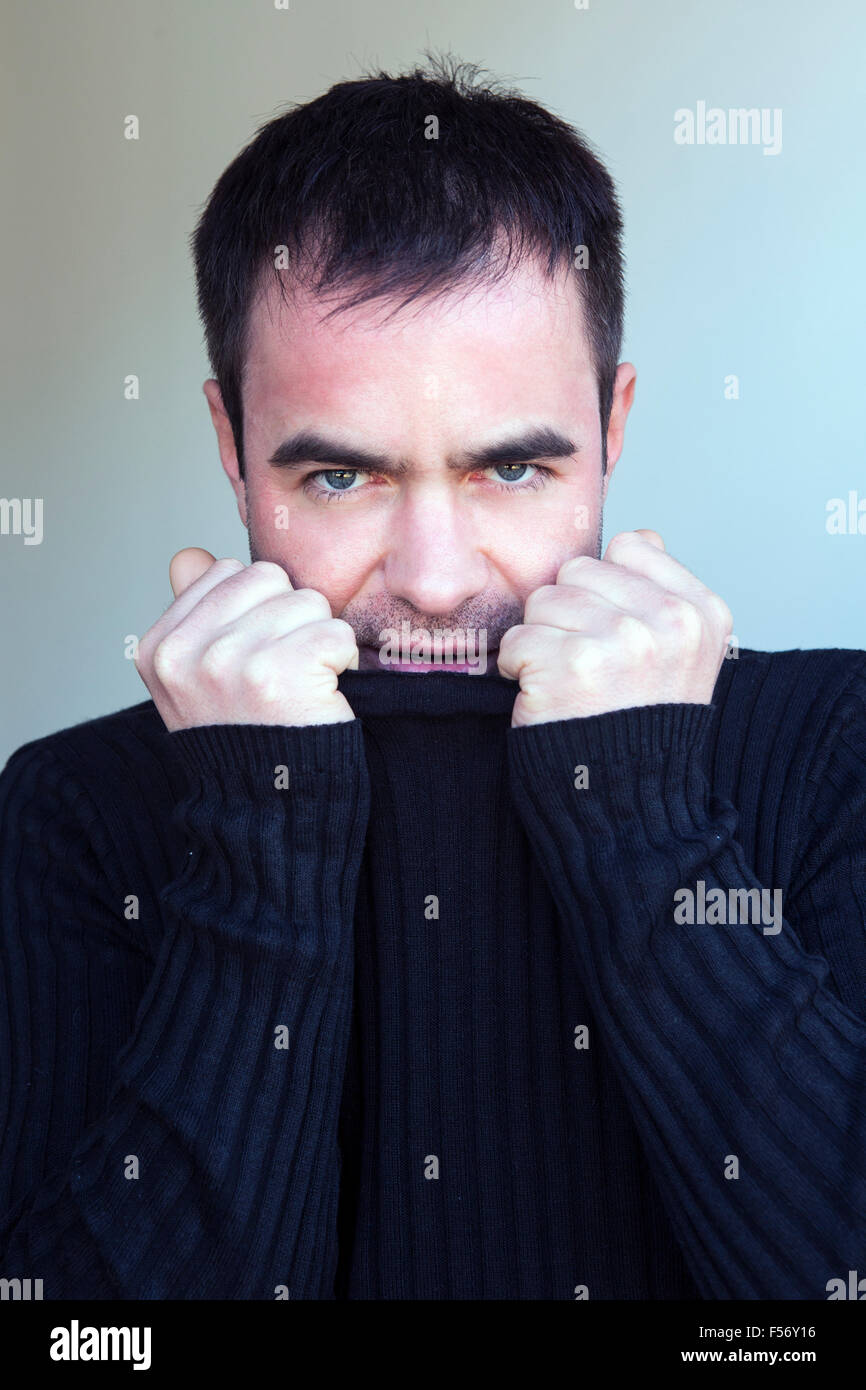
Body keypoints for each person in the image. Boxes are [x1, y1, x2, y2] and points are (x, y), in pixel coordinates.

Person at [1, 54, 864, 1301]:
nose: (439, 579)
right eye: (338, 478)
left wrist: (642, 822)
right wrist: (264, 835)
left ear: (612, 427)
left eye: (509, 470)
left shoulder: (829, 747)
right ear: (230, 450)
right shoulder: (79, 815)